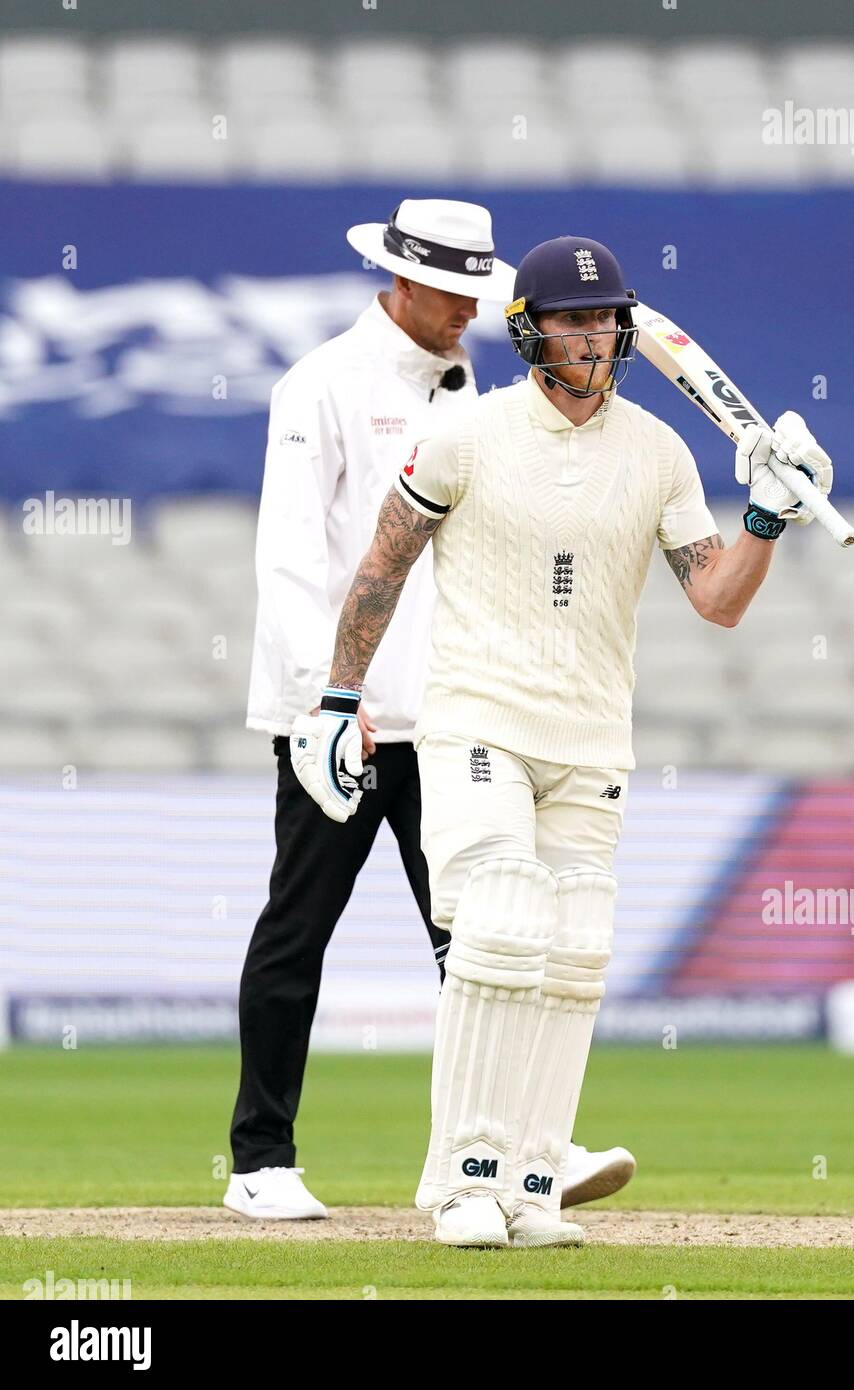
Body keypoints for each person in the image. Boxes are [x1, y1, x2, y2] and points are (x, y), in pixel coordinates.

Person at [290, 234, 834, 1246]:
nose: (596, 334)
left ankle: (533, 1182)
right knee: (497, 928)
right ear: (531, 331)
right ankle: (464, 1179)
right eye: (575, 319)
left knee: (574, 952)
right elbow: (382, 564)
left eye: (608, 317)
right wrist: (335, 699)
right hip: (478, 718)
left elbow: (715, 599)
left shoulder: (660, 452)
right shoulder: (465, 432)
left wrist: (766, 514)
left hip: (593, 737)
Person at [226, 204, 634, 1222]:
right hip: (343, 716)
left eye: (474, 291)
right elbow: (287, 557)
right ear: (398, 282)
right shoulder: (318, 385)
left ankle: (519, 1150)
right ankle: (259, 1160)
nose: (467, 310)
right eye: (450, 291)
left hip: (454, 715)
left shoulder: (483, 396)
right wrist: (325, 699)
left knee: (485, 940)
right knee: (298, 928)